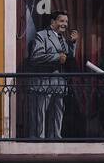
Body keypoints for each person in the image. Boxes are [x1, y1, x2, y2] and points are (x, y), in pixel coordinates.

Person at [28, 11, 77, 140]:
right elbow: (35, 57)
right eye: (62, 21)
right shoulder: (41, 35)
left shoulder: (63, 39)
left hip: (59, 83)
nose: (65, 24)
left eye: (66, 22)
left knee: (58, 113)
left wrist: (73, 44)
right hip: (44, 82)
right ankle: (40, 139)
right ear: (52, 22)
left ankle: (56, 137)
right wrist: (56, 57)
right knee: (41, 113)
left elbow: (68, 58)